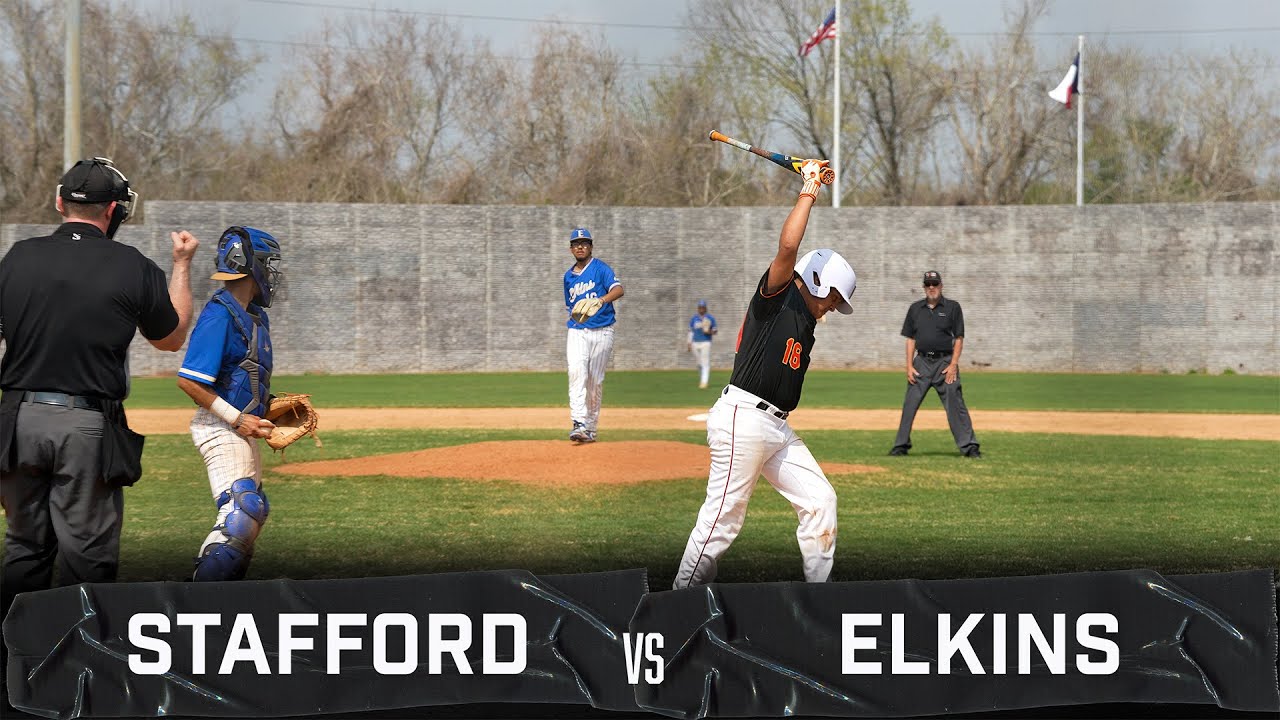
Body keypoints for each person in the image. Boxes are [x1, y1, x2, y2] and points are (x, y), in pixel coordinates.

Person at [0, 157, 197, 617]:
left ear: (58, 202)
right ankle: (78, 666)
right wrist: (182, 266)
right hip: (85, 425)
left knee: (24, 549)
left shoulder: (17, 257)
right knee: (87, 555)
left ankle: (12, 669)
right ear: (114, 210)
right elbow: (170, 339)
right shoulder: (131, 265)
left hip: (17, 420)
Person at [674, 160, 856, 588]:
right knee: (723, 521)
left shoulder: (808, 323)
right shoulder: (776, 296)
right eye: (833, 297)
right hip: (743, 418)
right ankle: (676, 604)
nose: (833, 306)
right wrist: (809, 188)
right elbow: (789, 247)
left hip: (775, 427)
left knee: (819, 500)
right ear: (814, 280)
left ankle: (819, 600)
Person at [176, 226, 283, 581]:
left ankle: (227, 602)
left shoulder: (253, 315)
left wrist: (270, 406)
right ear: (250, 264)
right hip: (220, 426)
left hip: (238, 427)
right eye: (267, 264)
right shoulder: (220, 314)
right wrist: (238, 419)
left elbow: (241, 377)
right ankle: (197, 606)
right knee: (240, 514)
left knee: (251, 516)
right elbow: (189, 380)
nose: (270, 273)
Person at [888, 270, 981, 458]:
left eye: (935, 284)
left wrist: (954, 364)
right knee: (909, 404)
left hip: (944, 363)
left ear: (941, 286)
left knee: (956, 404)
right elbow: (910, 339)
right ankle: (901, 445)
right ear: (924, 287)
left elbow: (959, 338)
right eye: (928, 284)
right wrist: (909, 366)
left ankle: (969, 446)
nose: (932, 288)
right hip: (921, 362)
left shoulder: (953, 308)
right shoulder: (915, 309)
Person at [563, 227, 624, 444]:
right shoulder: (568, 277)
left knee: (595, 381)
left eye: (584, 243)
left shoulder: (600, 268)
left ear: (590, 247)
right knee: (576, 372)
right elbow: (572, 308)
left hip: (603, 330)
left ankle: (591, 428)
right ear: (571, 249)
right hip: (577, 331)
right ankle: (578, 422)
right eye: (576, 243)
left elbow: (619, 289)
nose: (580, 246)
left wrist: (601, 300)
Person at [687, 300, 718, 389]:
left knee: (705, 362)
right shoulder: (694, 319)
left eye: (703, 307)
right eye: (700, 307)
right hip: (695, 342)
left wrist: (709, 331)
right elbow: (690, 331)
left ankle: (704, 382)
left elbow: (715, 330)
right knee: (699, 363)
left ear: (705, 308)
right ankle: (702, 379)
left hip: (705, 342)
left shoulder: (710, 318)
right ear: (698, 309)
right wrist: (689, 343)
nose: (701, 309)